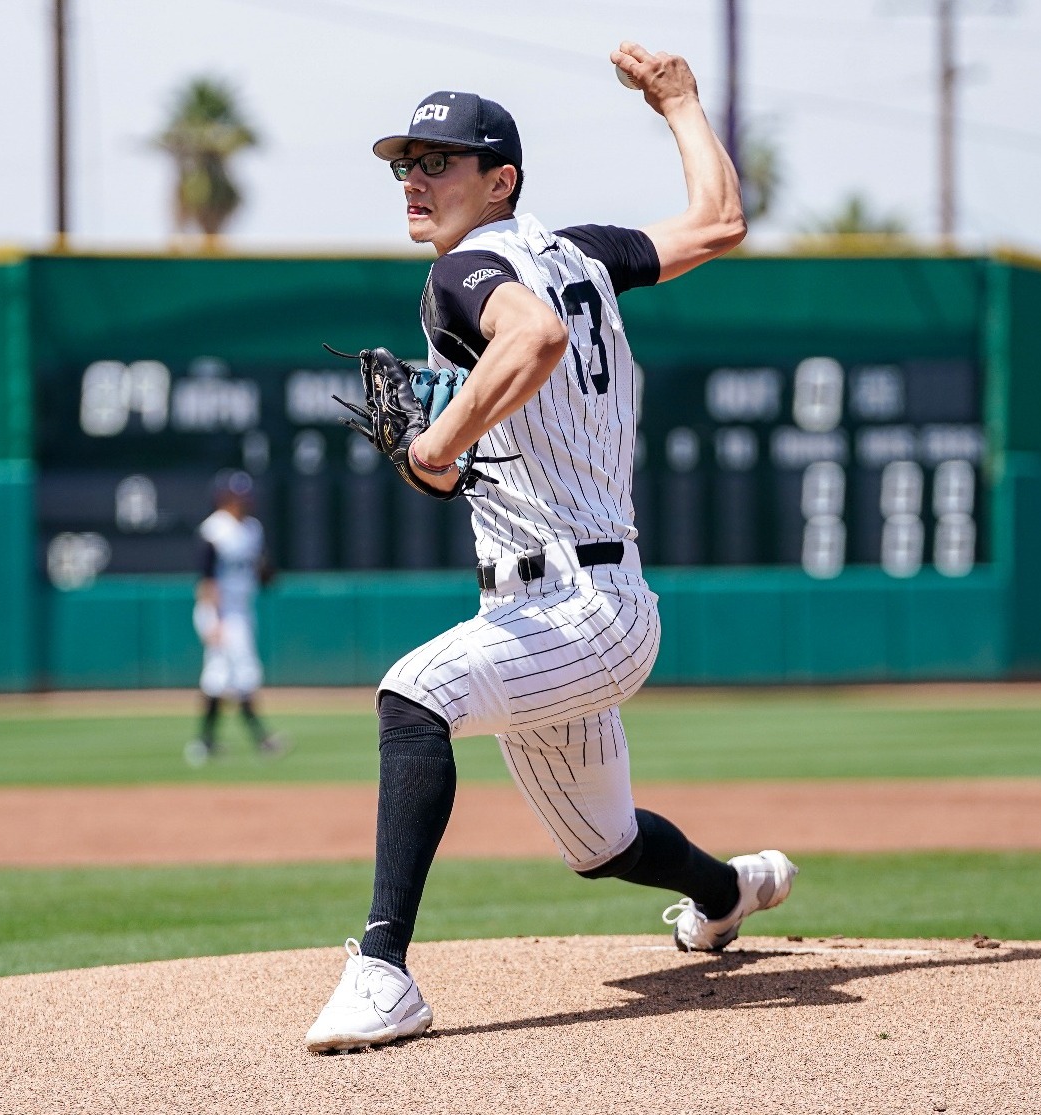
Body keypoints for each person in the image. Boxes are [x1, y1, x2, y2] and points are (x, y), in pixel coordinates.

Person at [304, 43, 796, 1054]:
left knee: (412, 696)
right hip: (565, 608)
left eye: (438, 160)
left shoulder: (467, 269)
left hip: (574, 607)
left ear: (501, 180)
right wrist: (680, 103)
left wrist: (434, 448)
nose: (414, 178)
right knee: (602, 845)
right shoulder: (576, 253)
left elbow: (531, 340)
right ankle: (727, 892)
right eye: (405, 161)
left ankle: (381, 971)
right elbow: (718, 222)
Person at [185, 470, 288, 762]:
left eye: (245, 495)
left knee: (217, 678)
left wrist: (265, 573)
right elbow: (206, 580)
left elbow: (260, 570)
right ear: (224, 498)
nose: (244, 500)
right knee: (244, 672)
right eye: (237, 495)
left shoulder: (252, 529)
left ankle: (204, 744)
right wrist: (213, 619)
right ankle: (263, 739)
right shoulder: (213, 530)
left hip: (241, 609)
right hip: (220, 612)